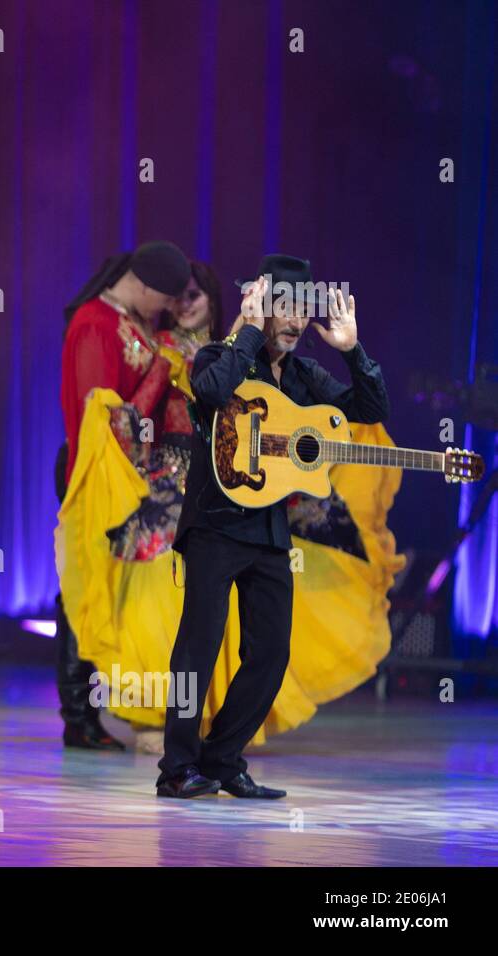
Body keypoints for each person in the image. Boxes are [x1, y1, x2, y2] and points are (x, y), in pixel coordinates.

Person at [156, 254, 390, 798]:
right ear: (263, 309)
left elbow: (369, 408)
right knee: (199, 647)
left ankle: (221, 760)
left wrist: (353, 350)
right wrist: (247, 329)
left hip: (267, 533)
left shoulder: (307, 376)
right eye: (282, 309)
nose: (292, 322)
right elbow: (213, 392)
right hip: (215, 525)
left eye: (300, 314)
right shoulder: (221, 354)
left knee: (271, 653)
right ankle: (177, 768)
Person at [53, 240, 190, 749]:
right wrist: (160, 371)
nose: (169, 311)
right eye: (167, 299)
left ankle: (95, 713)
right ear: (147, 286)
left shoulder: (132, 322)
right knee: (83, 588)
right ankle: (77, 717)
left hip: (130, 476)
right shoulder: (95, 323)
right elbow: (104, 418)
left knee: (108, 587)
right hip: (95, 471)